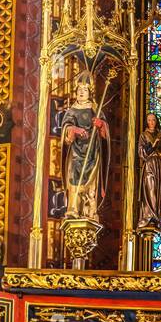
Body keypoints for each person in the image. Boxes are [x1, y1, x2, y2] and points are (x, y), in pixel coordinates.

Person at [61, 72, 110, 221]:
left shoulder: (96, 108)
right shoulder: (72, 110)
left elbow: (105, 132)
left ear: (90, 92)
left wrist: (100, 124)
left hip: (92, 152)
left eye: (85, 89)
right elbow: (66, 127)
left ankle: (90, 212)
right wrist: (74, 130)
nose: (81, 92)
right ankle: (73, 209)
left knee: (91, 184)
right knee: (74, 180)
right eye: (79, 89)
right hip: (76, 153)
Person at [136, 112, 161, 230]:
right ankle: (148, 216)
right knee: (150, 189)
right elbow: (141, 152)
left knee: (157, 191)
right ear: (146, 122)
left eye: (153, 120)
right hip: (149, 164)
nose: (152, 122)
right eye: (149, 120)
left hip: (160, 165)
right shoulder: (143, 135)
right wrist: (152, 145)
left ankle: (156, 216)